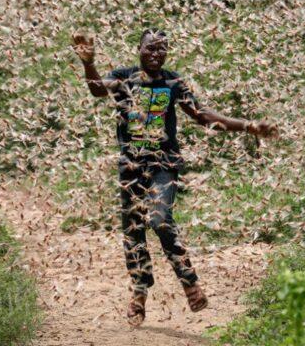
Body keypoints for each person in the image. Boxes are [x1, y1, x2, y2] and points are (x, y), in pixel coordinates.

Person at [72, 28, 276, 326]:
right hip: (131, 167)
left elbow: (203, 116)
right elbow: (97, 89)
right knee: (133, 231)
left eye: (161, 49)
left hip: (163, 164)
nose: (155, 54)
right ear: (138, 49)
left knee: (160, 219)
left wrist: (248, 126)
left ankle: (190, 282)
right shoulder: (124, 77)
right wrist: (88, 63)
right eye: (150, 48)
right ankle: (139, 294)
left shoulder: (173, 82)